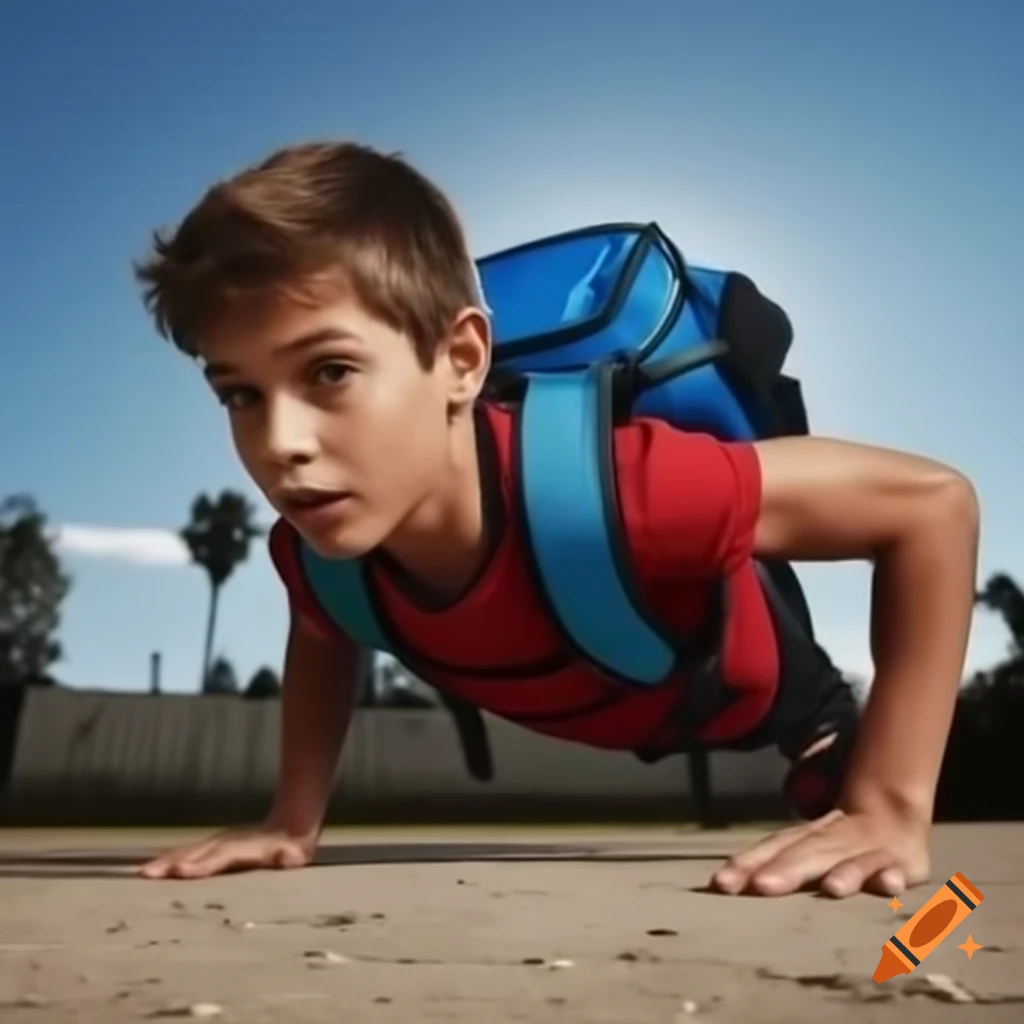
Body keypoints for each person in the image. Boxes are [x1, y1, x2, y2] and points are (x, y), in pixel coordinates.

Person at [132, 141, 979, 897]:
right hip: (624, 698)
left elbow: (931, 506)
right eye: (239, 394)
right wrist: (292, 821)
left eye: (329, 372)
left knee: (932, 910)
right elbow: (322, 632)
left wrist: (890, 803)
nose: (280, 443)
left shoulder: (627, 486)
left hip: (773, 709)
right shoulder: (319, 555)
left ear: (461, 360)